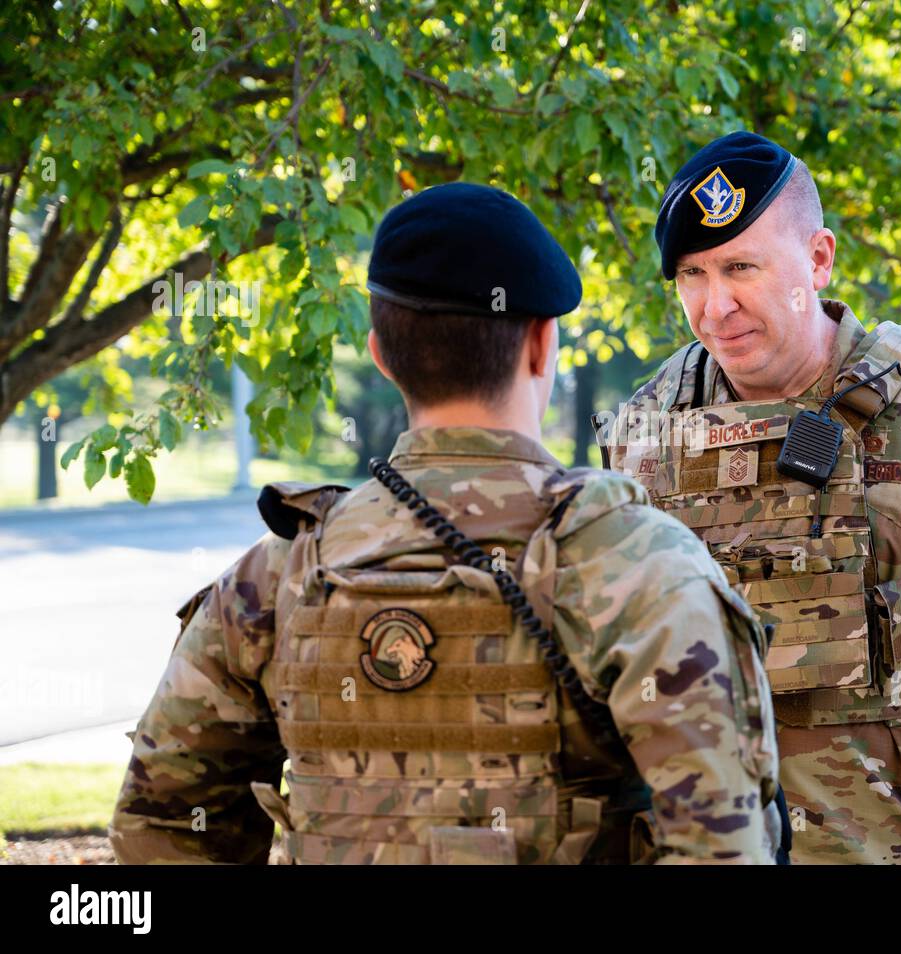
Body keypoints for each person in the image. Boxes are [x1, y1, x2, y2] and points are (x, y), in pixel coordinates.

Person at [109, 181, 783, 865]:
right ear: (541, 345)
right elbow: (722, 847)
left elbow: (161, 825)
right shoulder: (638, 562)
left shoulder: (275, 572)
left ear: (380, 353)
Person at [600, 131, 901, 864]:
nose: (714, 305)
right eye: (692, 274)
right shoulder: (643, 432)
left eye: (741, 267)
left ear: (819, 259)